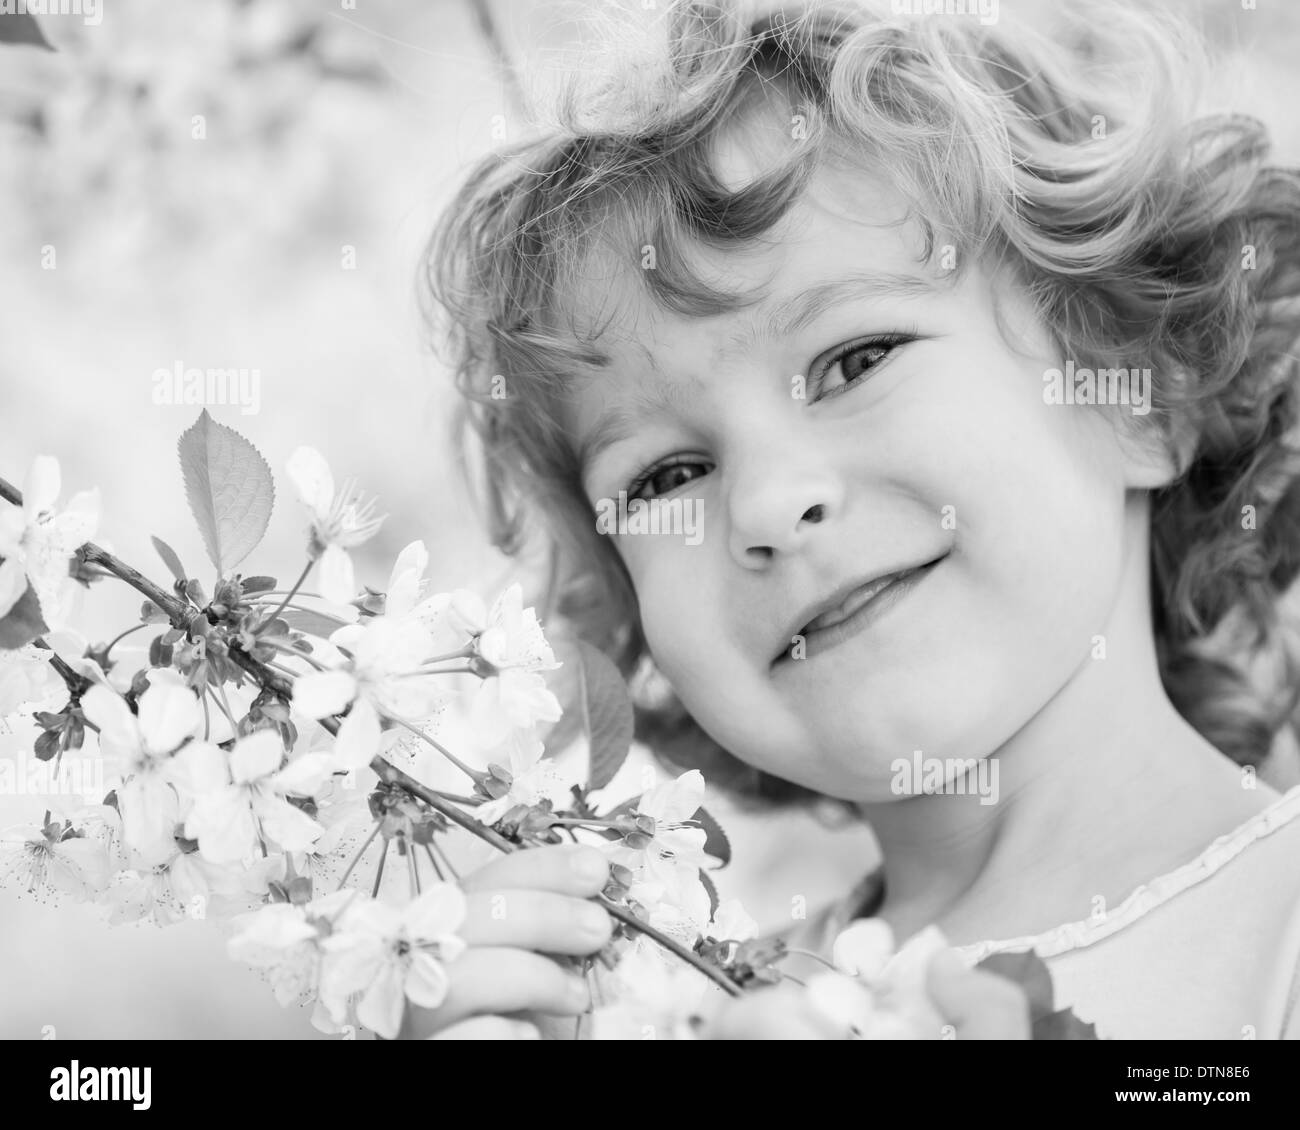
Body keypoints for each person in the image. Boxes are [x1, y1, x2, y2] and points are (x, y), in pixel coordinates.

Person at [406, 0, 1300, 1038]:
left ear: (1137, 390)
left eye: (854, 360)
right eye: (666, 474)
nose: (769, 505)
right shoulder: (675, 1003)